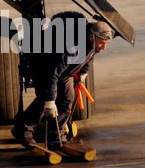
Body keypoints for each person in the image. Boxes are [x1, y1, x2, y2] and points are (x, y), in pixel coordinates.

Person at [11, 13, 115, 150]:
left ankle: (56, 137)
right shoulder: (70, 46)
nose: (104, 48)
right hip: (42, 63)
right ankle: (22, 130)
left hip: (63, 70)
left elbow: (89, 56)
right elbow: (52, 74)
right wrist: (50, 101)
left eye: (106, 44)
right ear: (92, 37)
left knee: (67, 99)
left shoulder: (93, 40)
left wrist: (82, 74)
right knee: (45, 99)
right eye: (102, 44)